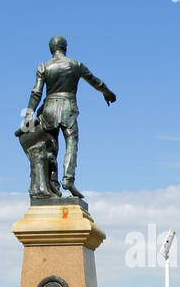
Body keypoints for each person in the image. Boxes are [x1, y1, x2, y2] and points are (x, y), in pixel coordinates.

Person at [22, 35, 116, 198]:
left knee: (51, 147)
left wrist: (27, 115)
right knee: (71, 143)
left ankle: (53, 184)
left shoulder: (43, 66)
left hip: (49, 109)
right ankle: (68, 179)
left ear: (51, 49)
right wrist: (108, 93)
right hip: (68, 108)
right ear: (65, 48)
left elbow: (36, 93)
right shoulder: (75, 65)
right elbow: (95, 81)